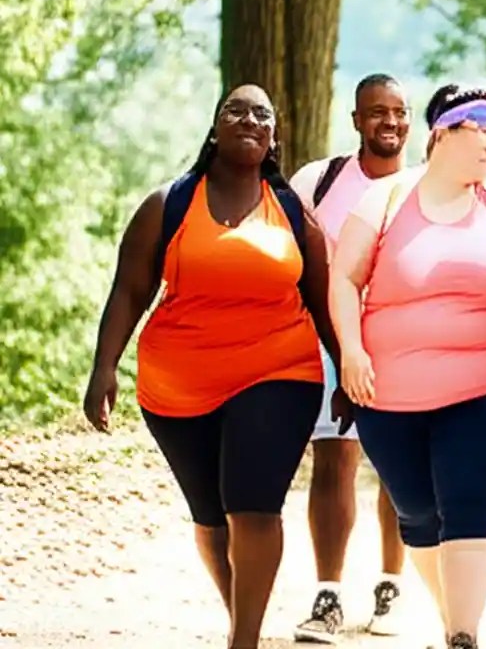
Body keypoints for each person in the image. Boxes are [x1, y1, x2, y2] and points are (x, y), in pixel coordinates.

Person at [82, 84, 341, 649]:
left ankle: (243, 640)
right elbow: (130, 290)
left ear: (274, 137)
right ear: (215, 128)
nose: (249, 119)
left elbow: (322, 301)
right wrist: (105, 367)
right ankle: (240, 620)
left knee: (253, 503)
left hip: (280, 369)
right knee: (211, 516)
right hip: (178, 385)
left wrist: (347, 371)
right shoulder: (168, 204)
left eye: (262, 114)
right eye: (235, 110)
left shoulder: (293, 213)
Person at [329, 83, 486, 649]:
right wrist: (351, 351)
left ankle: (463, 635)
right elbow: (344, 279)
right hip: (389, 392)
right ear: (443, 133)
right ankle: (455, 617)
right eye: (484, 131)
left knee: (469, 503)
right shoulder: (388, 198)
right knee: (418, 513)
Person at [288, 74, 409, 643]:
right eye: (376, 112)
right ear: (356, 120)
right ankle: (328, 596)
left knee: (397, 469)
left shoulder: (424, 186)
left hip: (406, 343)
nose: (389, 122)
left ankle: (391, 587)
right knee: (333, 458)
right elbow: (290, 260)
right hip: (332, 341)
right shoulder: (321, 180)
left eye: (399, 112)